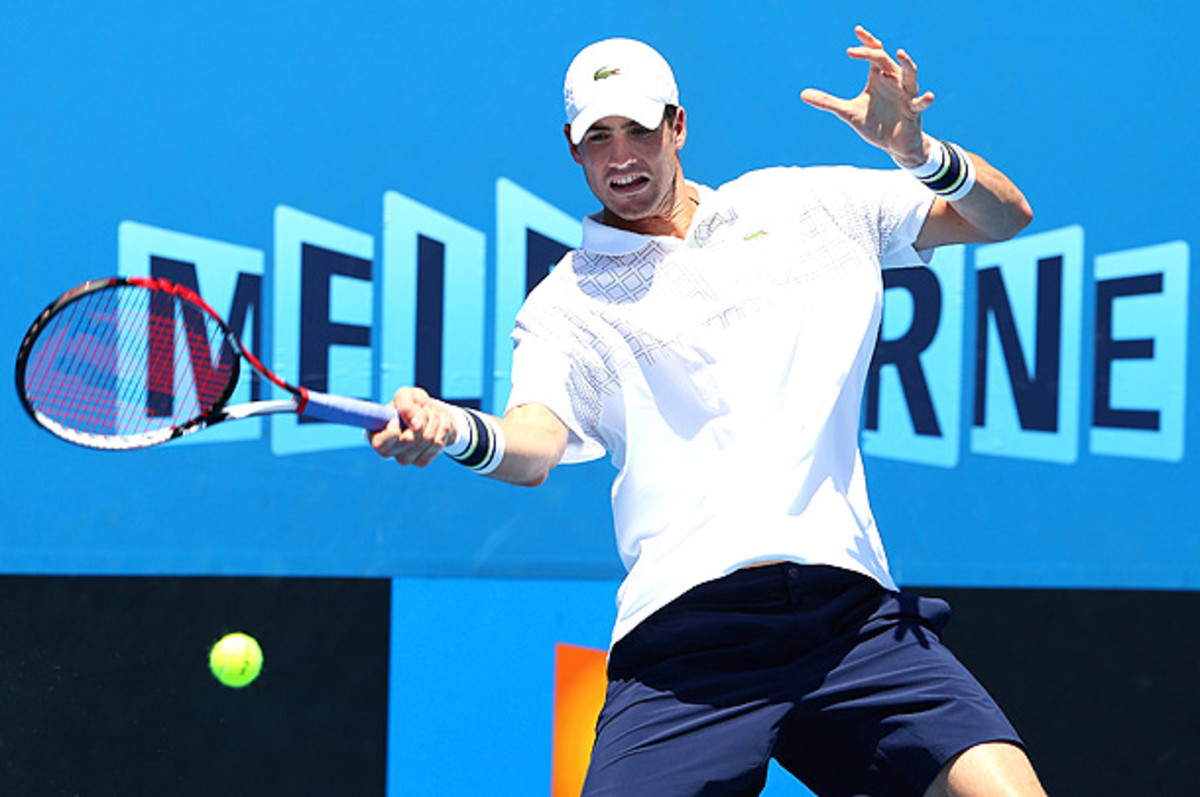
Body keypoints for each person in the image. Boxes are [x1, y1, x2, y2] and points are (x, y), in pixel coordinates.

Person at [371, 26, 1045, 796]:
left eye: (639, 129)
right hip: (686, 641)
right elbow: (532, 445)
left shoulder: (805, 203)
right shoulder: (566, 302)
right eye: (598, 137)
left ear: (678, 126)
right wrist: (453, 427)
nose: (621, 154)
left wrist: (919, 153)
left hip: (849, 617)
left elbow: (1005, 216)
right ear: (574, 149)